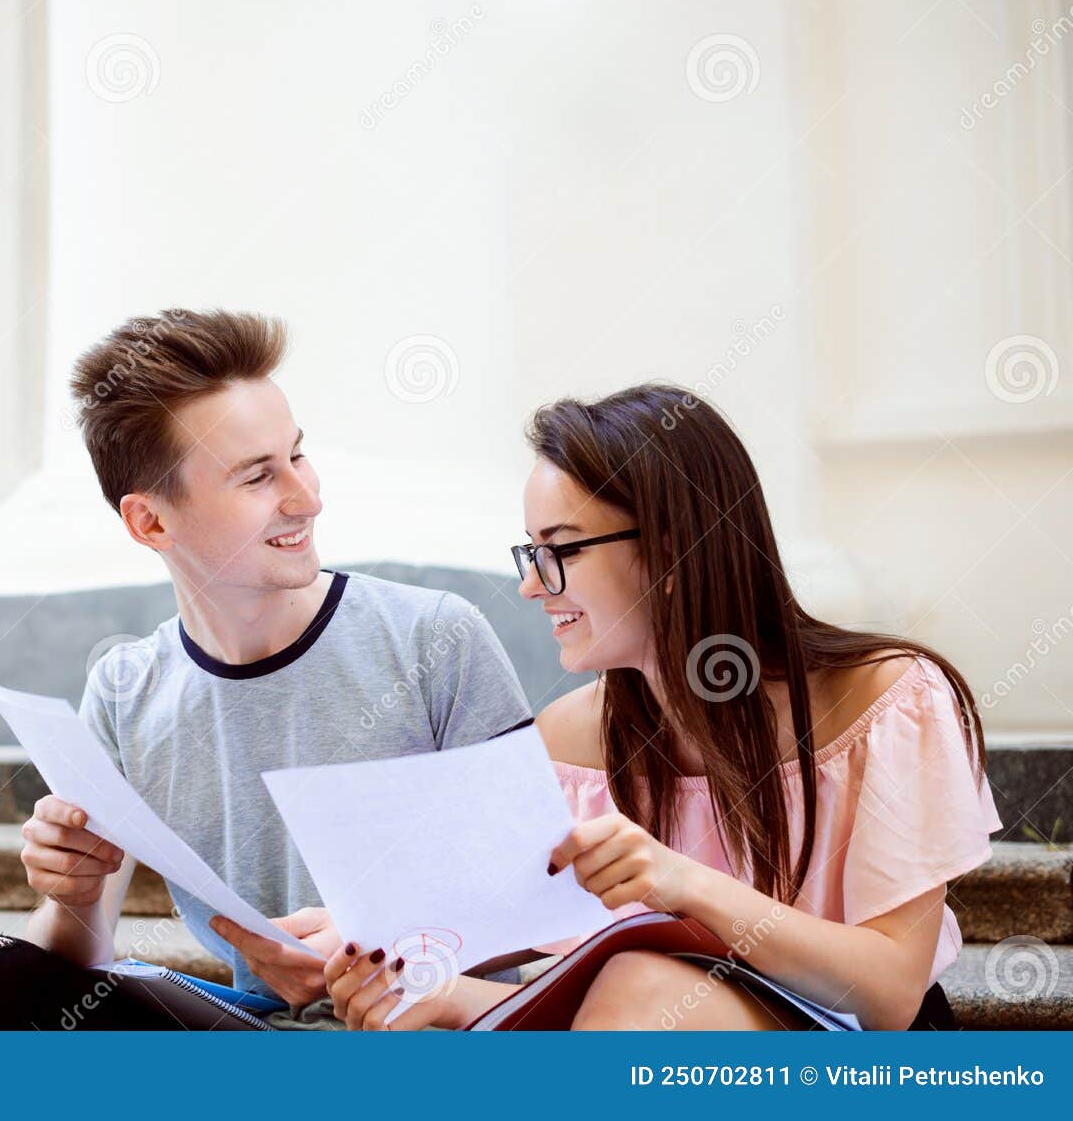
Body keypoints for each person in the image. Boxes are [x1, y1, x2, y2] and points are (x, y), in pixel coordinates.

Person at [0, 309, 531, 1030]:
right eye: (257, 476)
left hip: (424, 1043)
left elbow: (541, 907)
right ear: (150, 523)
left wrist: (383, 942)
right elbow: (76, 954)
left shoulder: (434, 638)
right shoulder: (124, 690)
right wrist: (74, 893)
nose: (306, 496)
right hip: (254, 1035)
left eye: (297, 455)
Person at [327, 383, 1000, 1031]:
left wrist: (683, 881)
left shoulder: (889, 699)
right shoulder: (565, 740)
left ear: (674, 551)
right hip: (649, 1040)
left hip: (851, 1051)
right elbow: (545, 969)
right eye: (531, 551)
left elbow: (888, 997)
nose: (531, 584)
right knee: (634, 985)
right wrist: (385, 957)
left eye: (558, 550)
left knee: (641, 982)